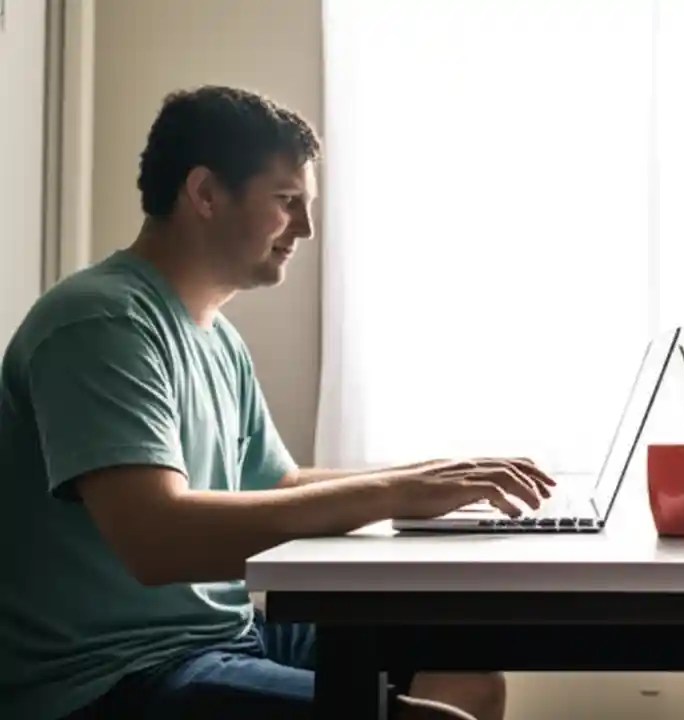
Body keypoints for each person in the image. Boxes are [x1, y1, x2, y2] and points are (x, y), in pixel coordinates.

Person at [0, 85, 551, 720]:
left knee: (467, 674)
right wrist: (394, 495)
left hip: (219, 637)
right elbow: (157, 539)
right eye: (287, 201)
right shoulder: (99, 322)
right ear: (205, 193)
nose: (307, 229)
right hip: (110, 676)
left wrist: (432, 480)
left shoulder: (215, 336)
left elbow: (280, 483)